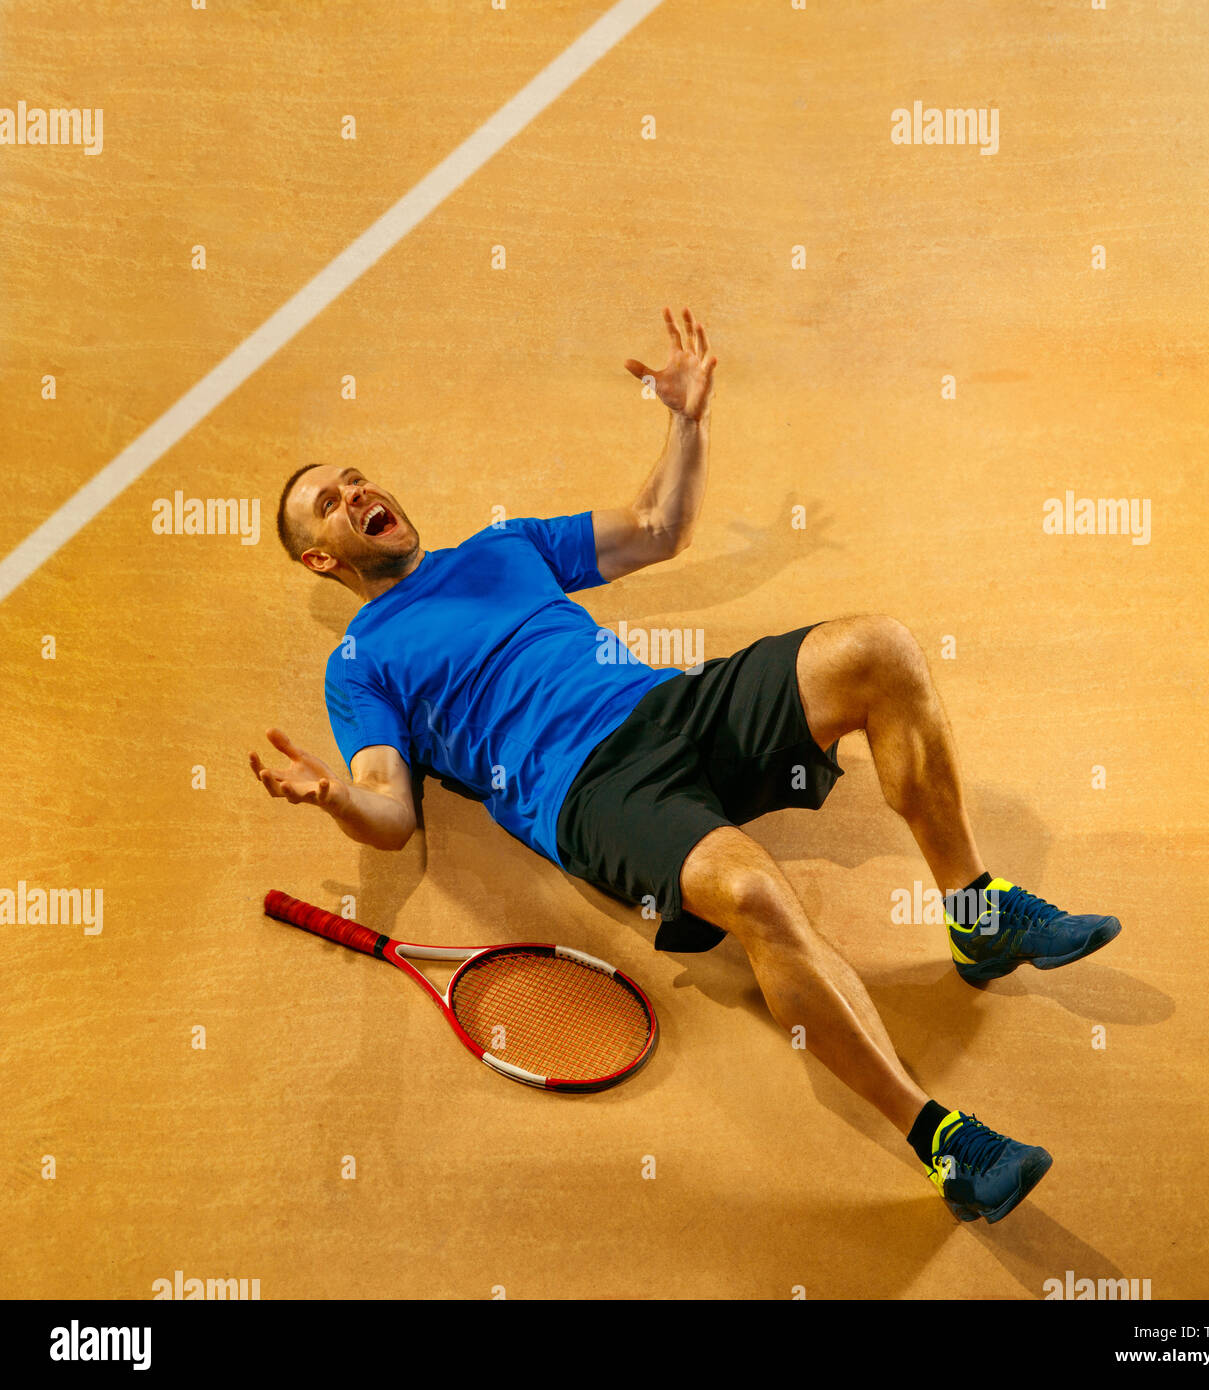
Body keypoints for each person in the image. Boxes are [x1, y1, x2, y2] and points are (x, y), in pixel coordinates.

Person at [251, 307, 1120, 1224]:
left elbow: (658, 526)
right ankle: (942, 1139)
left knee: (880, 649)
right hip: (591, 793)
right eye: (329, 503)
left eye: (355, 480)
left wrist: (685, 420)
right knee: (753, 895)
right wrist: (336, 796)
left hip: (672, 707)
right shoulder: (360, 662)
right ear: (321, 557)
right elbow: (391, 814)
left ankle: (976, 915)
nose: (355, 495)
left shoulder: (504, 547)